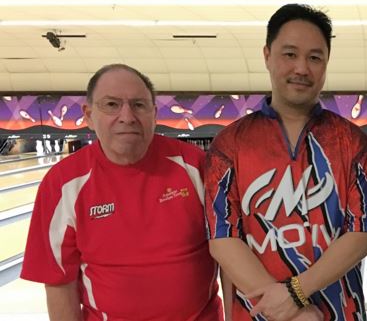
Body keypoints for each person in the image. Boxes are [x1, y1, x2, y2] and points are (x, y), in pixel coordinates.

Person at [203, 4, 367, 321]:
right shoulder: (229, 144)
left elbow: (361, 233)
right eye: (290, 54)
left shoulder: (353, 143)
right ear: (267, 55)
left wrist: (296, 293)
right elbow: (223, 238)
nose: (302, 68)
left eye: (314, 57)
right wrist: (292, 314)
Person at [21, 64, 223, 320]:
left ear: (154, 113)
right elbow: (59, 282)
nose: (127, 116)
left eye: (139, 105)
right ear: (89, 115)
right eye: (111, 105)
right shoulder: (62, 184)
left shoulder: (195, 165)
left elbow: (230, 250)